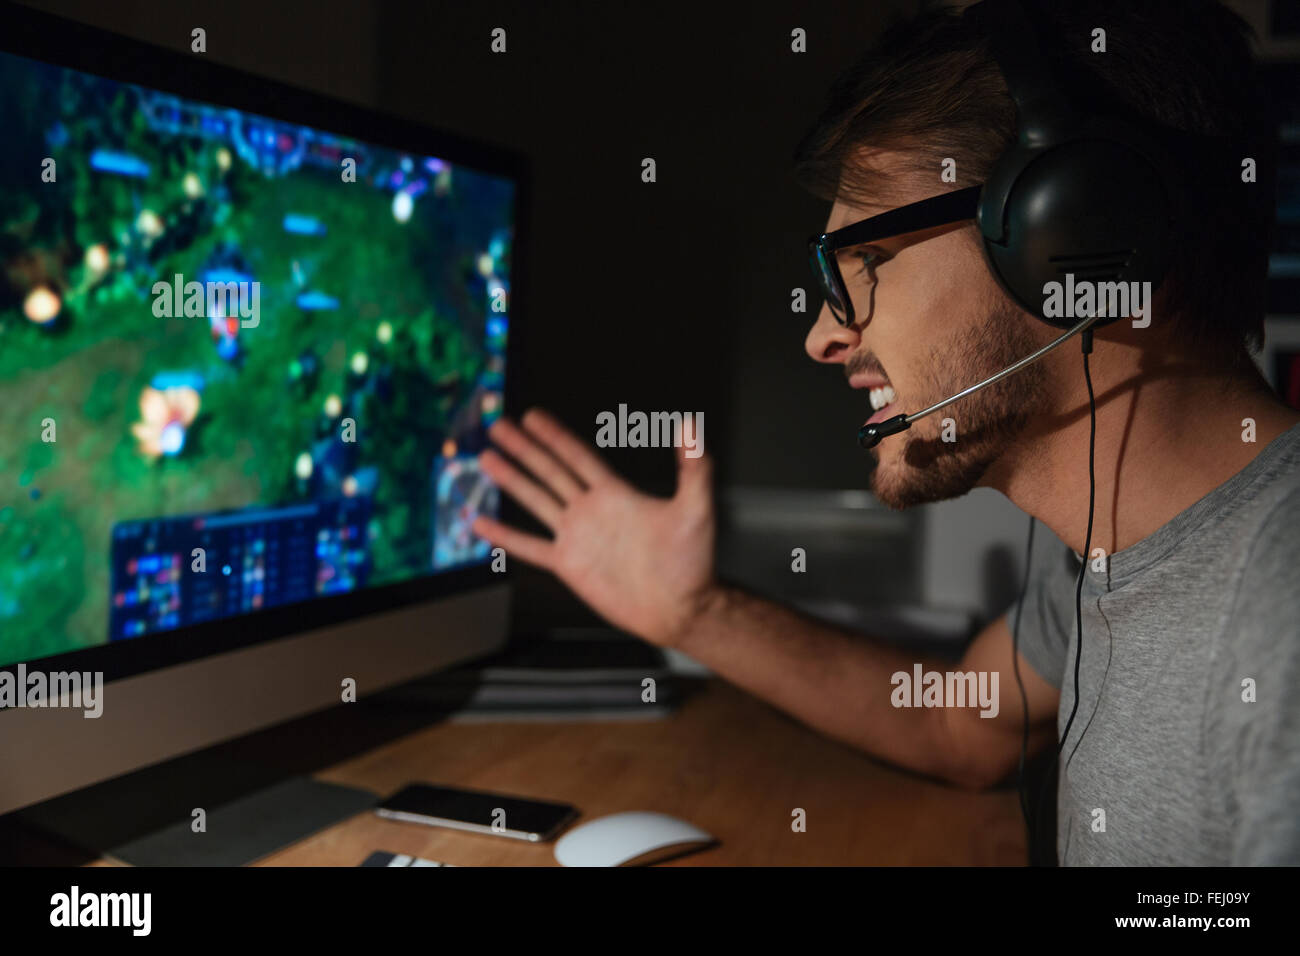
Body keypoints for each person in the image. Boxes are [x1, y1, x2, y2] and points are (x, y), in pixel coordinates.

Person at [471, 0, 1300, 865]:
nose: (823, 336)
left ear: (1082, 237)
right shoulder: (1099, 556)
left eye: (864, 264)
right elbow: (957, 726)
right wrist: (695, 613)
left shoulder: (1281, 611)